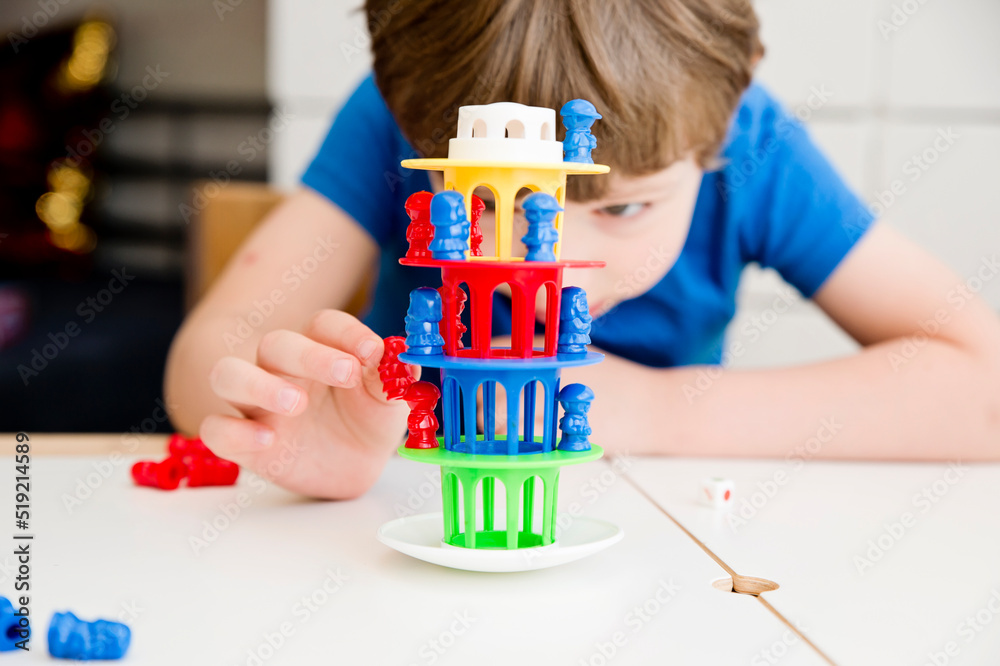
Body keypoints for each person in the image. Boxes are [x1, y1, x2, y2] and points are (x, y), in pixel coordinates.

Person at [163, 0, 1000, 500]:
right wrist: (292, 429)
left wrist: (654, 409)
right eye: (488, 199)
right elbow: (208, 354)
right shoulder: (398, 118)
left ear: (733, 92)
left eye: (626, 206)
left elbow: (985, 387)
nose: (546, 262)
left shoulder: (748, 145)